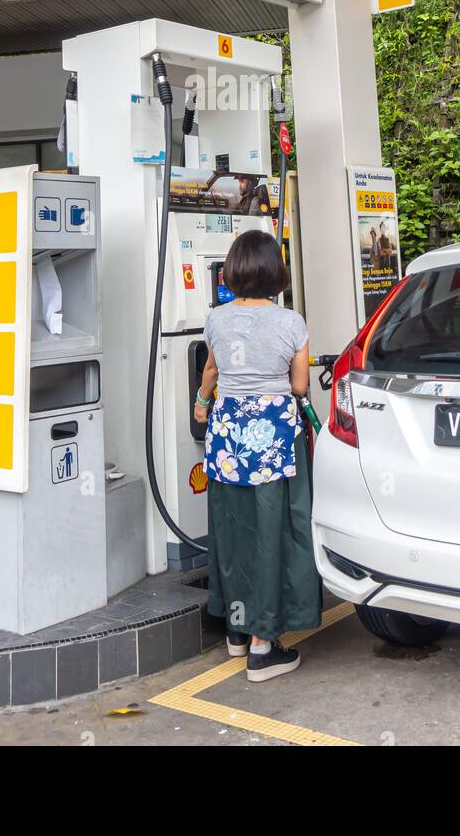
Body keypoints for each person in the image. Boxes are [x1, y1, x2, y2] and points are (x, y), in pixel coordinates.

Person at [194, 229, 322, 681]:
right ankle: (263, 647)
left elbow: (210, 369)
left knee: (233, 527)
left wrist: (202, 403)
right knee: (273, 529)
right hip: (272, 432)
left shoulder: (216, 318)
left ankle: (236, 629)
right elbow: (301, 386)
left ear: (232, 272)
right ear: (275, 272)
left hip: (226, 428)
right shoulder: (292, 322)